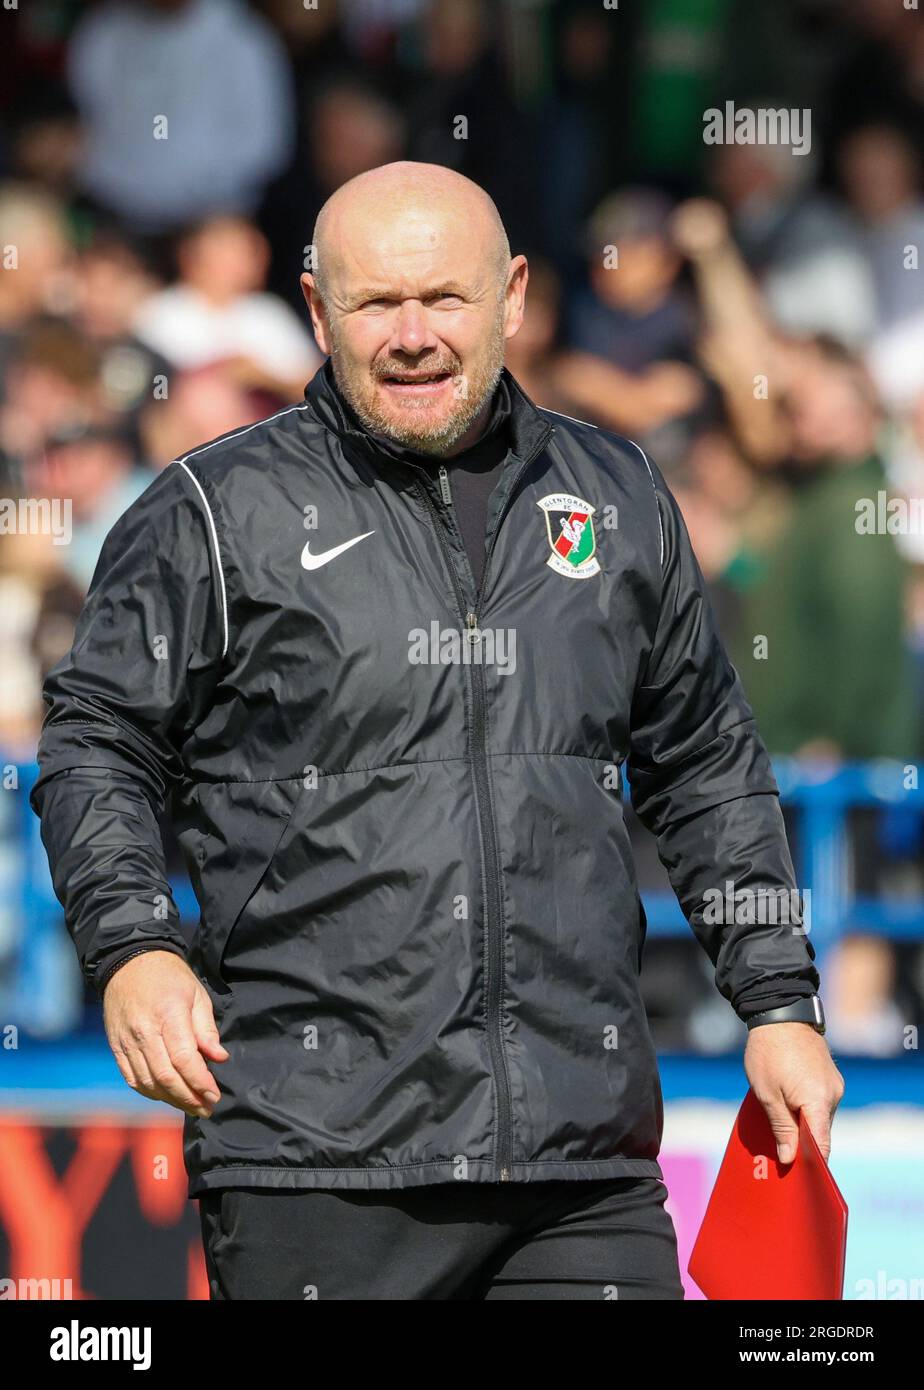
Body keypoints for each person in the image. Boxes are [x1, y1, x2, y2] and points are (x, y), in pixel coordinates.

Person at [31, 162, 842, 1301]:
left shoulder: (619, 495)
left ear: (513, 294)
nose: (413, 336)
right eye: (375, 304)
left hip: (582, 1167)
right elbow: (95, 742)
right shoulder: (213, 513)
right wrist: (134, 947)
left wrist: (778, 1003)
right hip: (315, 1168)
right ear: (318, 311)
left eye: (445, 299)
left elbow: (707, 764)